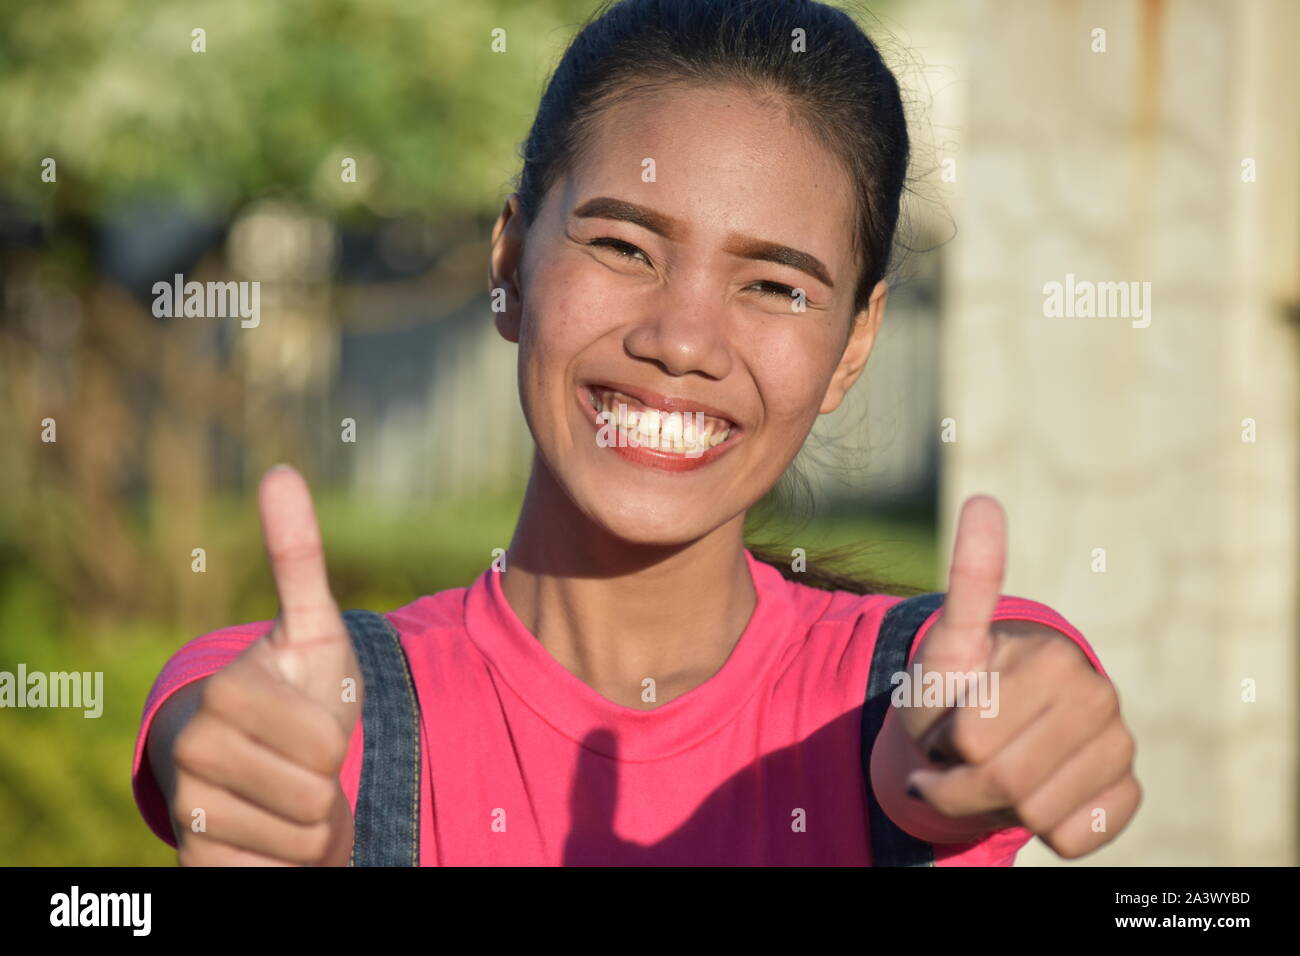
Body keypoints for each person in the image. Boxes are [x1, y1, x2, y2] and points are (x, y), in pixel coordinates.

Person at [132, 0, 1140, 866]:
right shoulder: (312, 709)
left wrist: (983, 736)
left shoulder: (914, 689)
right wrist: (272, 799)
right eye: (622, 244)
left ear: (853, 345)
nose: (682, 340)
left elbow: (984, 703)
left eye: (774, 285)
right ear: (511, 261)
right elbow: (222, 735)